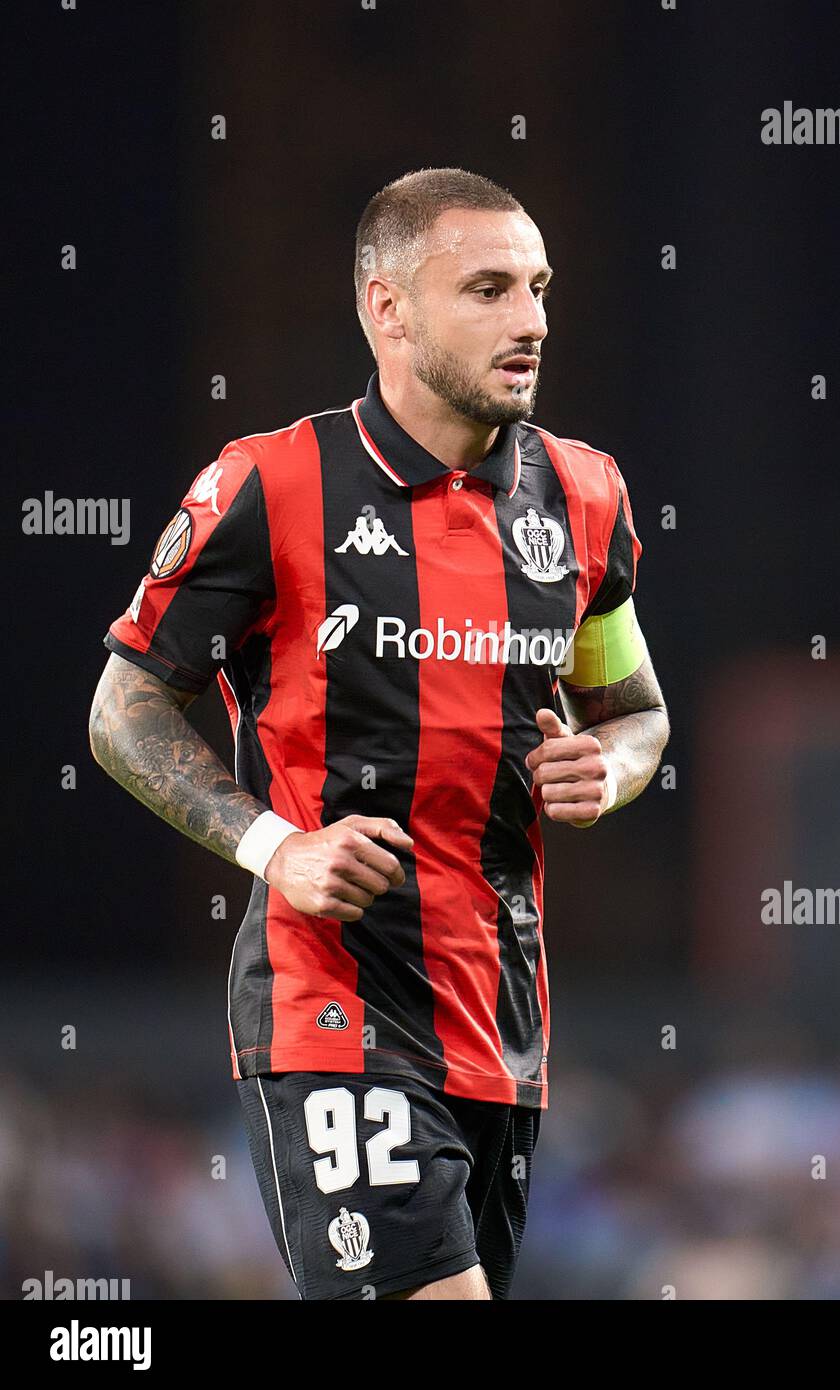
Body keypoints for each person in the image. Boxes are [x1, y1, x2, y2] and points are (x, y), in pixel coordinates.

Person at [89, 167, 670, 1300]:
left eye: (539, 289)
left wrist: (613, 767)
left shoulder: (583, 498)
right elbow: (123, 707)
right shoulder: (269, 484)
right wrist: (275, 848)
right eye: (490, 289)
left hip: (503, 1027)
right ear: (386, 307)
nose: (532, 321)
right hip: (333, 1007)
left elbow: (634, 711)